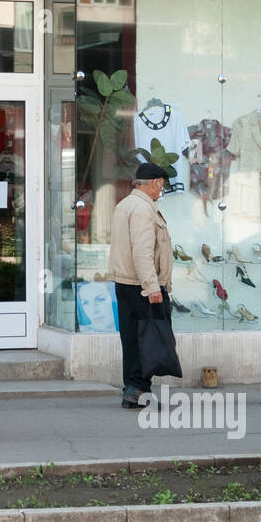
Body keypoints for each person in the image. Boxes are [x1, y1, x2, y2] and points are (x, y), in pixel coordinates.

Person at [108, 162, 176, 409]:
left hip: (126, 282)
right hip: (141, 285)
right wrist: (153, 287)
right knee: (147, 339)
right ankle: (138, 390)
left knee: (132, 338)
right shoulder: (143, 209)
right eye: (162, 185)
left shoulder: (126, 204)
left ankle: (133, 389)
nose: (161, 191)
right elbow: (142, 252)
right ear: (155, 183)